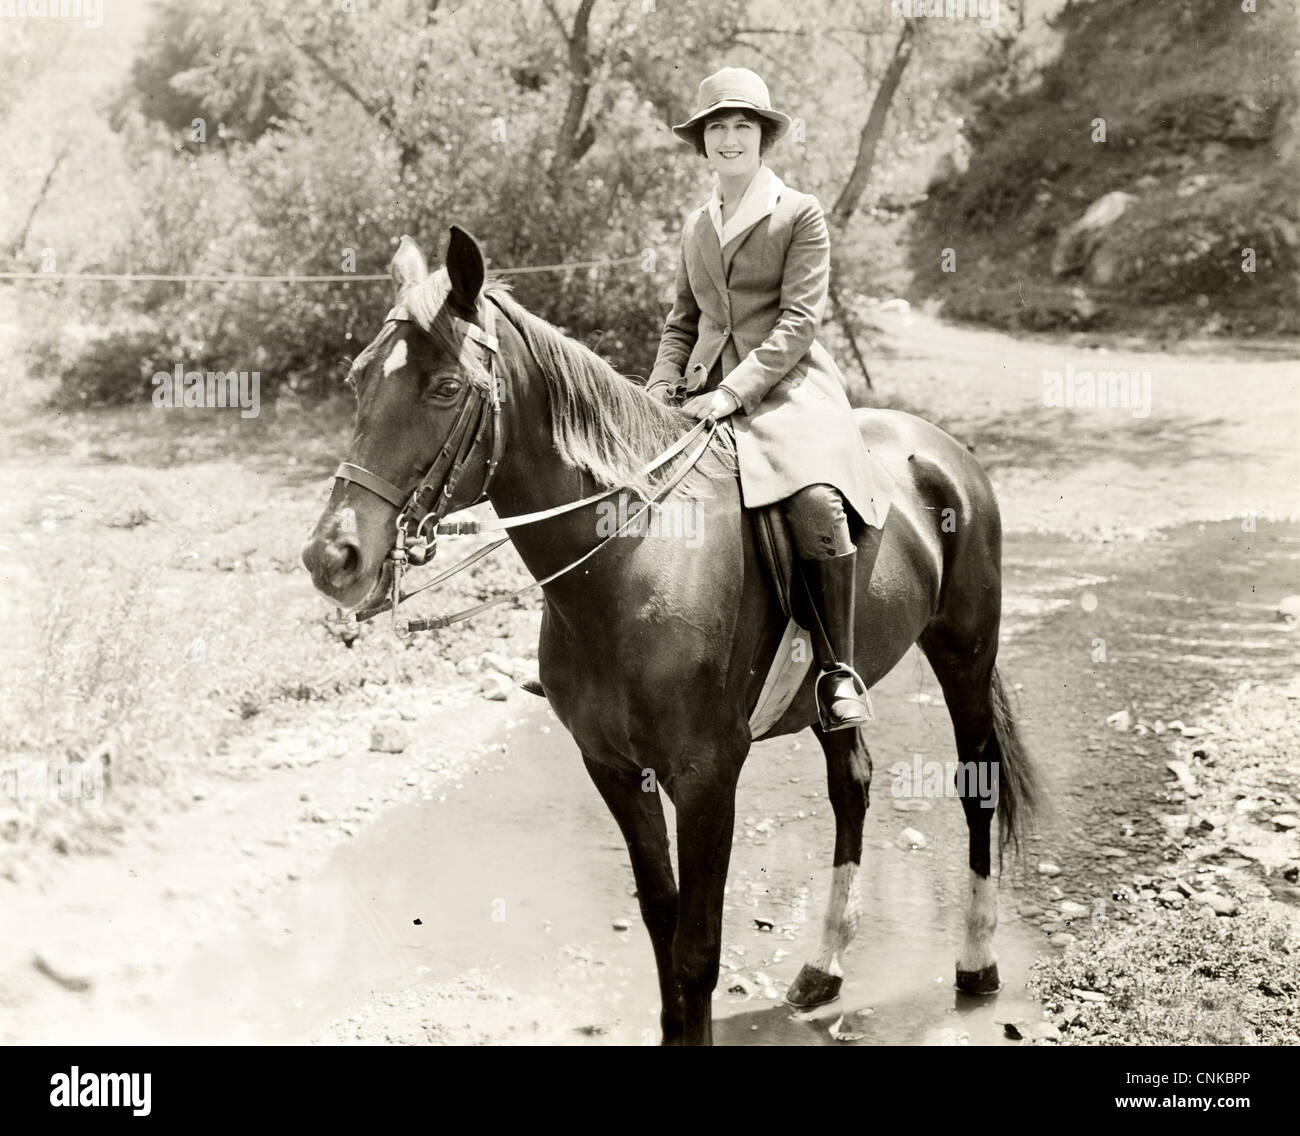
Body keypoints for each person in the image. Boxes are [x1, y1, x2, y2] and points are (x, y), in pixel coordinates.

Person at [647, 67, 889, 731]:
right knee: (628, 484)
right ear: (703, 143)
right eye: (717, 128)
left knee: (814, 501)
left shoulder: (799, 214)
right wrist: (660, 388)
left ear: (761, 139)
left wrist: (734, 391)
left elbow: (799, 321)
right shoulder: (698, 224)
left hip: (786, 386)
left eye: (742, 127)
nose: (729, 139)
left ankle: (838, 671)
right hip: (703, 390)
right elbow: (681, 321)